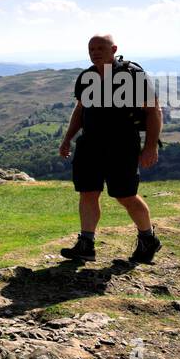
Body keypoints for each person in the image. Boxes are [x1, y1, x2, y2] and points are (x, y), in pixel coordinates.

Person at [58, 34, 163, 263]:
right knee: (88, 192)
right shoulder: (87, 77)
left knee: (126, 195)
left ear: (113, 49)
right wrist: (67, 138)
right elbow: (80, 110)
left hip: (122, 145)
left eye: (100, 48)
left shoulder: (131, 75)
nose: (95, 52)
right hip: (89, 144)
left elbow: (153, 111)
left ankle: (148, 238)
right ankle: (86, 244)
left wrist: (150, 147)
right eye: (91, 49)